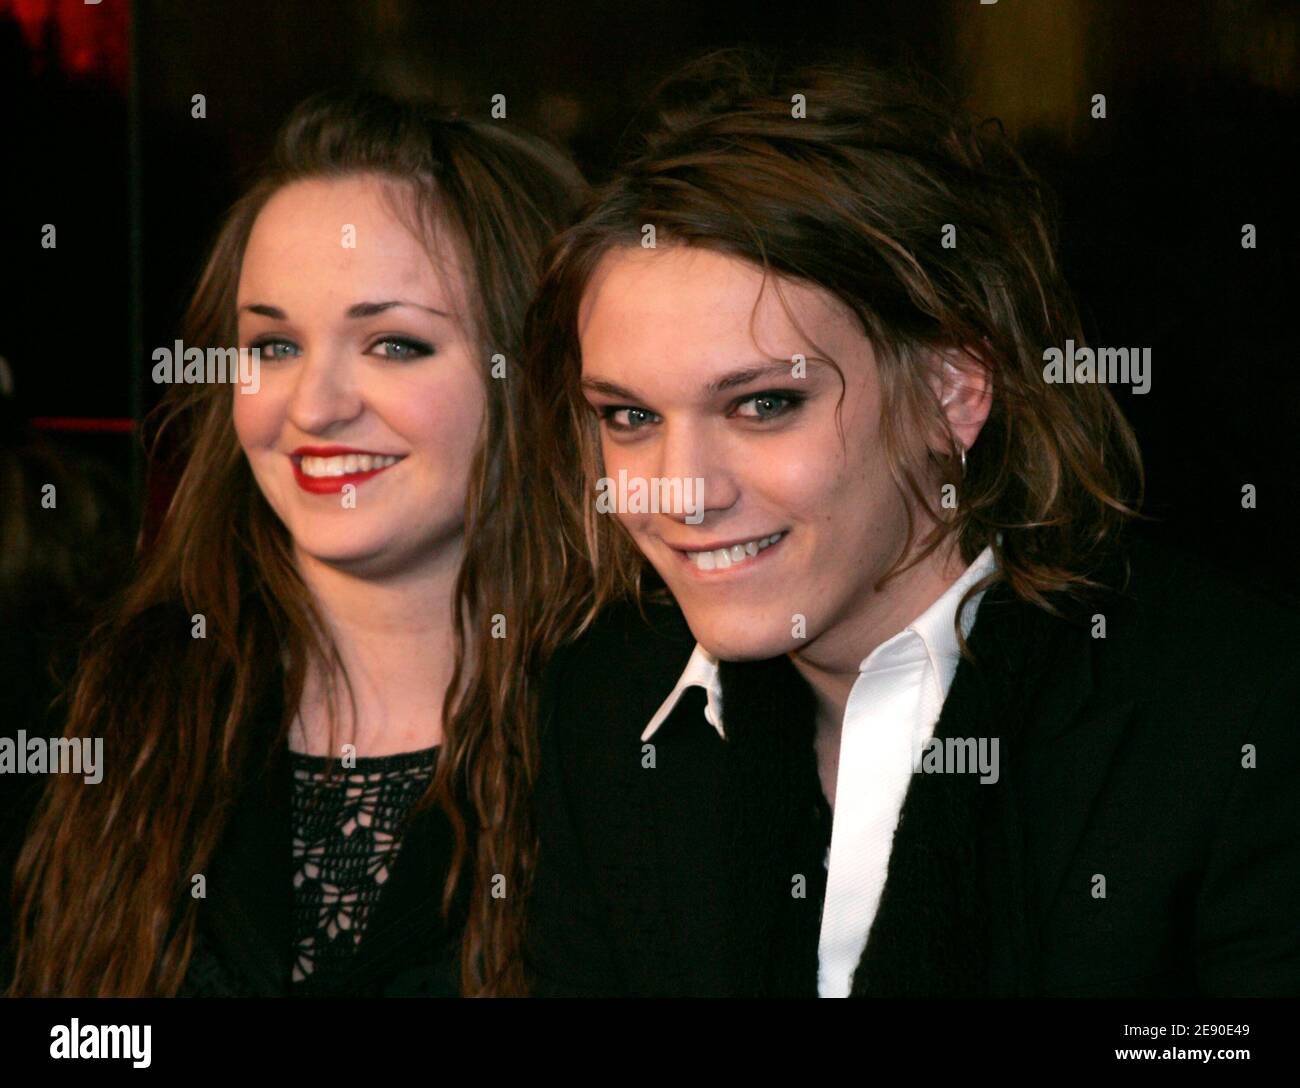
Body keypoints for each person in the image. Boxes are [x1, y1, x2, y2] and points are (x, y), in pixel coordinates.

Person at [519, 48, 1300, 996]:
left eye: (763, 404)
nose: (680, 491)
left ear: (952, 389)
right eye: (631, 417)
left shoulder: (1233, 711)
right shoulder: (603, 707)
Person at [3, 91, 584, 997]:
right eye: (272, 346)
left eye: (393, 344)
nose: (313, 407)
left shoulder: (637, 732)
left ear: (531, 370)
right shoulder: (115, 707)